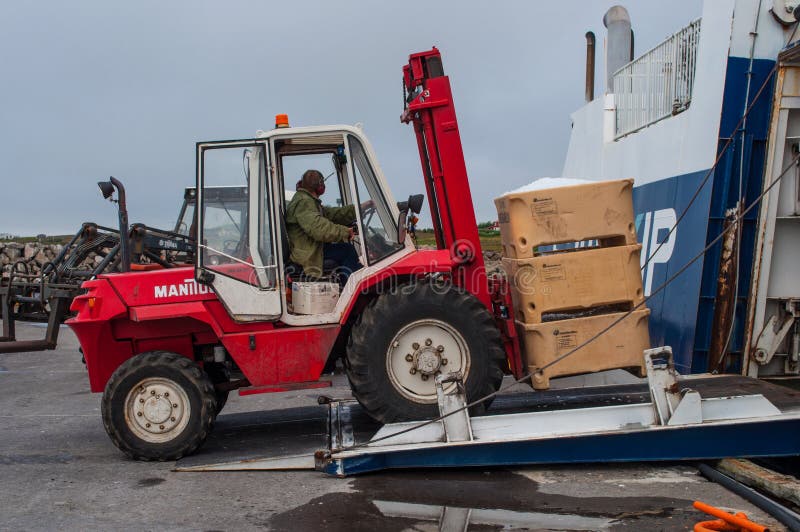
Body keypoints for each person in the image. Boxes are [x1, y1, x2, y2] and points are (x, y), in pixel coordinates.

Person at [285, 169, 362, 281]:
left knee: (345, 250)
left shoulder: (307, 200)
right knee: (347, 251)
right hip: (309, 254)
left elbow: (331, 214)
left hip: (311, 248)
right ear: (320, 187)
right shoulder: (304, 202)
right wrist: (345, 231)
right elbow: (320, 229)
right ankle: (352, 290)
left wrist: (358, 209)